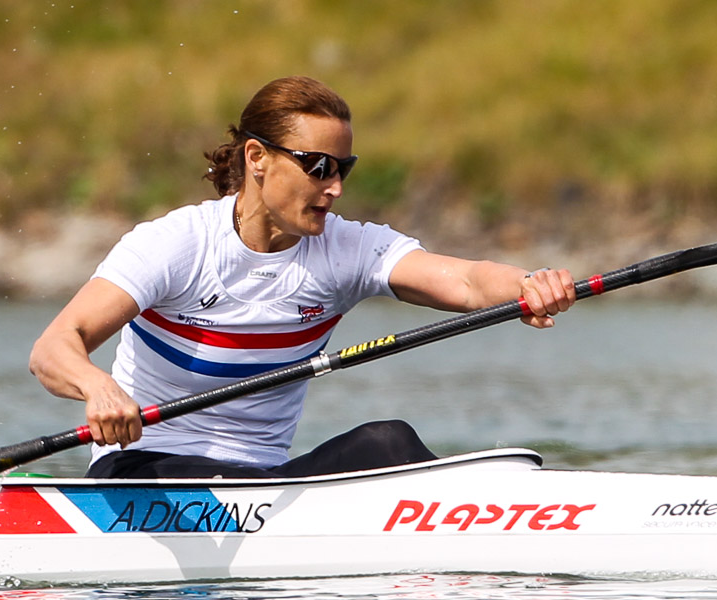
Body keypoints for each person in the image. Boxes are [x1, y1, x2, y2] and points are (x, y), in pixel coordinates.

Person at [29, 76, 576, 479]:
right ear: (256, 158)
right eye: (318, 166)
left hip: (262, 482)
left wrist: (527, 284)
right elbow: (53, 348)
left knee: (389, 440)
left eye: (343, 168)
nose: (335, 187)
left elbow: (467, 281)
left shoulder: (344, 249)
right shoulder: (176, 244)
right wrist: (98, 388)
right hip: (144, 473)